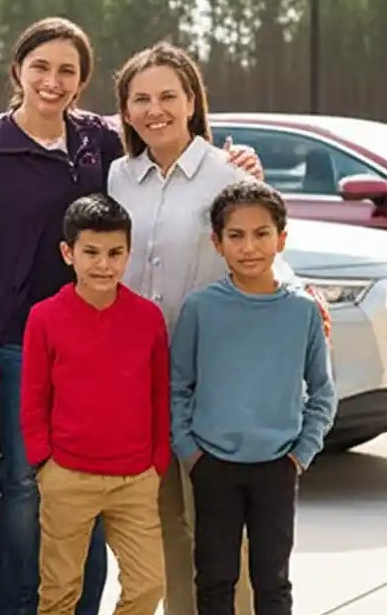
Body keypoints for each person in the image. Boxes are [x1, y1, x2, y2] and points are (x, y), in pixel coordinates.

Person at [0, 19, 261, 615]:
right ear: (18, 72)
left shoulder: (99, 147)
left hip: (114, 348)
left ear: (83, 83)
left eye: (67, 71)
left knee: (89, 489)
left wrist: (237, 164)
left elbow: (180, 172)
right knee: (28, 490)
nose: (52, 81)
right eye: (41, 67)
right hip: (20, 341)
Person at [106, 41, 329, 615]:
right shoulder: (118, 176)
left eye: (168, 96)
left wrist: (303, 289)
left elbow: (261, 246)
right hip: (134, 375)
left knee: (226, 536)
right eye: (141, 99)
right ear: (126, 111)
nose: (156, 110)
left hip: (209, 380)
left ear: (192, 102)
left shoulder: (226, 169)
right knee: (160, 526)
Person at [170, 180, 337, 615]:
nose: (249, 247)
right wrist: (190, 452)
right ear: (217, 242)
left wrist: (301, 453)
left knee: (272, 582)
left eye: (261, 234)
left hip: (277, 467)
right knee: (214, 579)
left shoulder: (301, 311)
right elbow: (178, 386)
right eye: (236, 236)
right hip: (212, 466)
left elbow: (322, 391)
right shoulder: (201, 308)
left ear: (282, 238)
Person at [20, 193, 168, 615]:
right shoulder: (45, 318)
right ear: (68, 253)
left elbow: (158, 392)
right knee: (60, 592)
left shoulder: (147, 319)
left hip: (135, 478)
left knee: (148, 584)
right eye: (91, 253)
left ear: (129, 255)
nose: (103, 264)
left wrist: (157, 461)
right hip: (67, 475)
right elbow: (33, 394)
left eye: (114, 253)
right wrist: (43, 460)